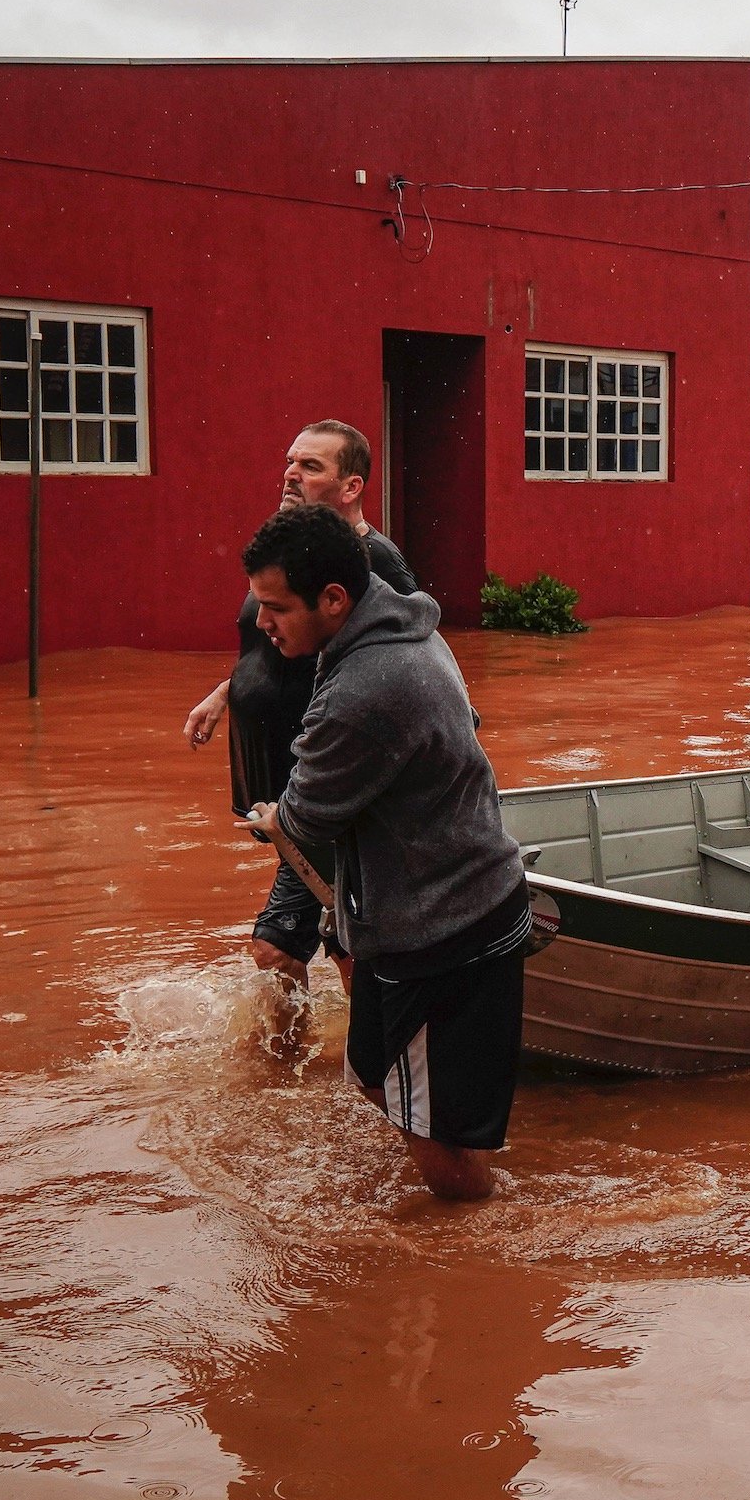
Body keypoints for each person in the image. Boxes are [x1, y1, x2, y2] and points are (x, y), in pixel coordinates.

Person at [237, 503, 529, 1203]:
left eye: (275, 608)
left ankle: (480, 1243)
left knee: (430, 1133)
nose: (262, 623)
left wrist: (280, 810)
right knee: (372, 1072)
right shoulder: (404, 623)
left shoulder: (366, 687)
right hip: (422, 908)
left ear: (333, 598)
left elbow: (305, 816)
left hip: (441, 930)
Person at [185, 422, 418, 986]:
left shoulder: (374, 563)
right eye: (290, 462)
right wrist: (227, 693)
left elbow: (411, 657)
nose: (291, 474)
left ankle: (304, 1064)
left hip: (329, 788)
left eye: (311, 467)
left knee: (279, 949)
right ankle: (347, 1045)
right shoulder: (293, 551)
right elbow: (276, 639)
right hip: (291, 784)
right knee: (339, 929)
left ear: (351, 486)